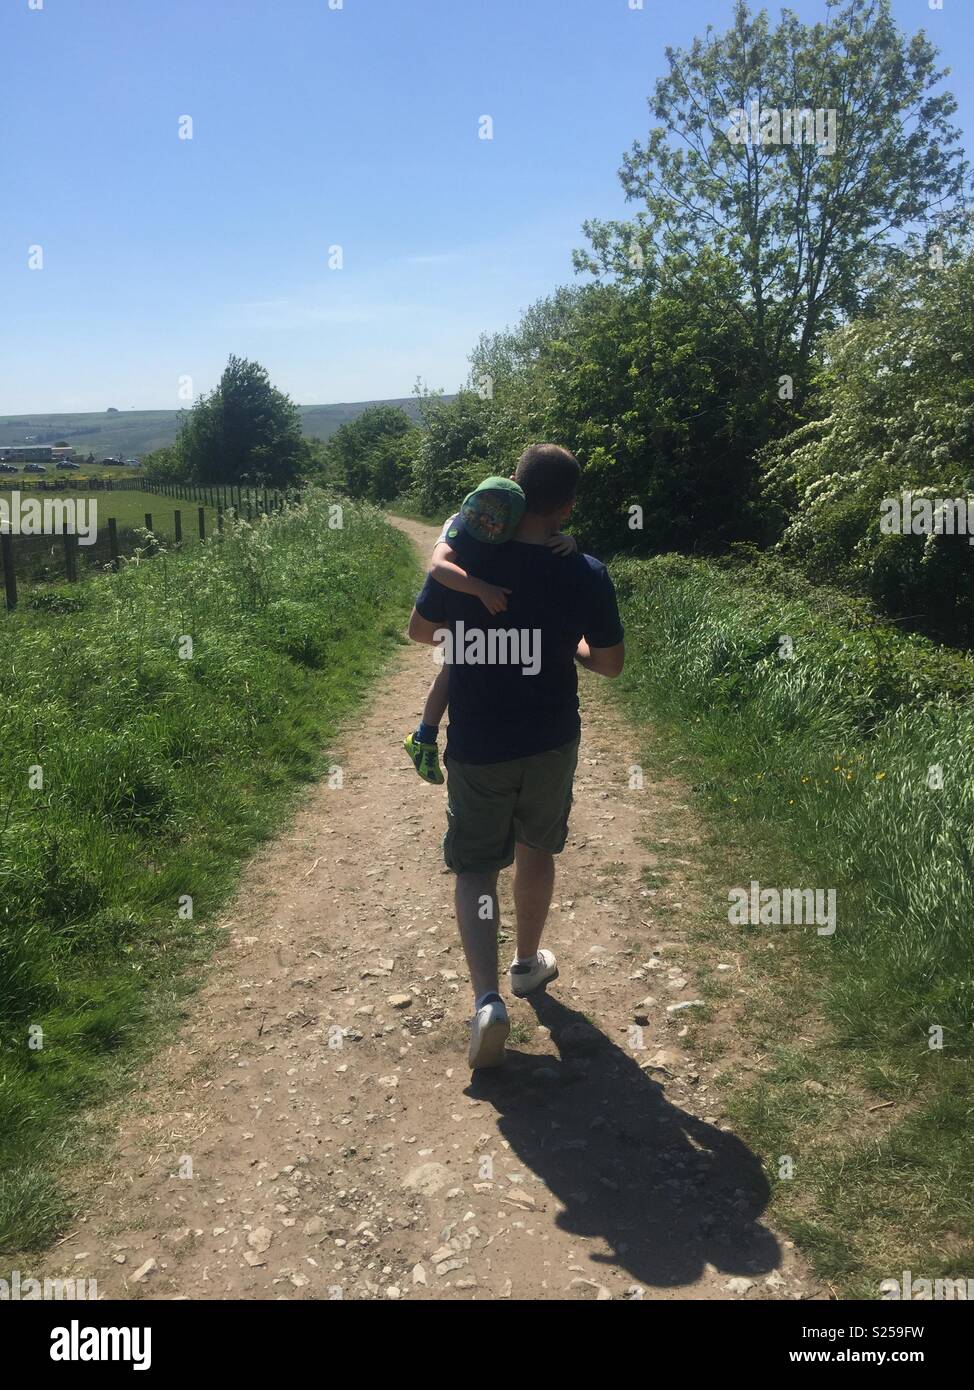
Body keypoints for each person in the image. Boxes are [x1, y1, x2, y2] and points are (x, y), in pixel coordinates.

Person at [407, 443, 625, 1068]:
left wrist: (474, 634)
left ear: (516, 492)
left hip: (480, 744)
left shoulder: (470, 557)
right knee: (537, 849)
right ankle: (527, 965)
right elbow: (609, 664)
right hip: (551, 739)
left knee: (476, 868)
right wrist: (564, 646)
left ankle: (487, 1002)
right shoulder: (584, 569)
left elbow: (420, 632)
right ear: (567, 506)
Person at [403, 475, 578, 785]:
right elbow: (439, 567)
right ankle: (423, 736)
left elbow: (544, 527)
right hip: (471, 610)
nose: (492, 530)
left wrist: (568, 540)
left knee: (454, 666)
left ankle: (424, 736)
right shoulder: (461, 524)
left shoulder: (510, 515)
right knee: (454, 667)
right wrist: (480, 589)